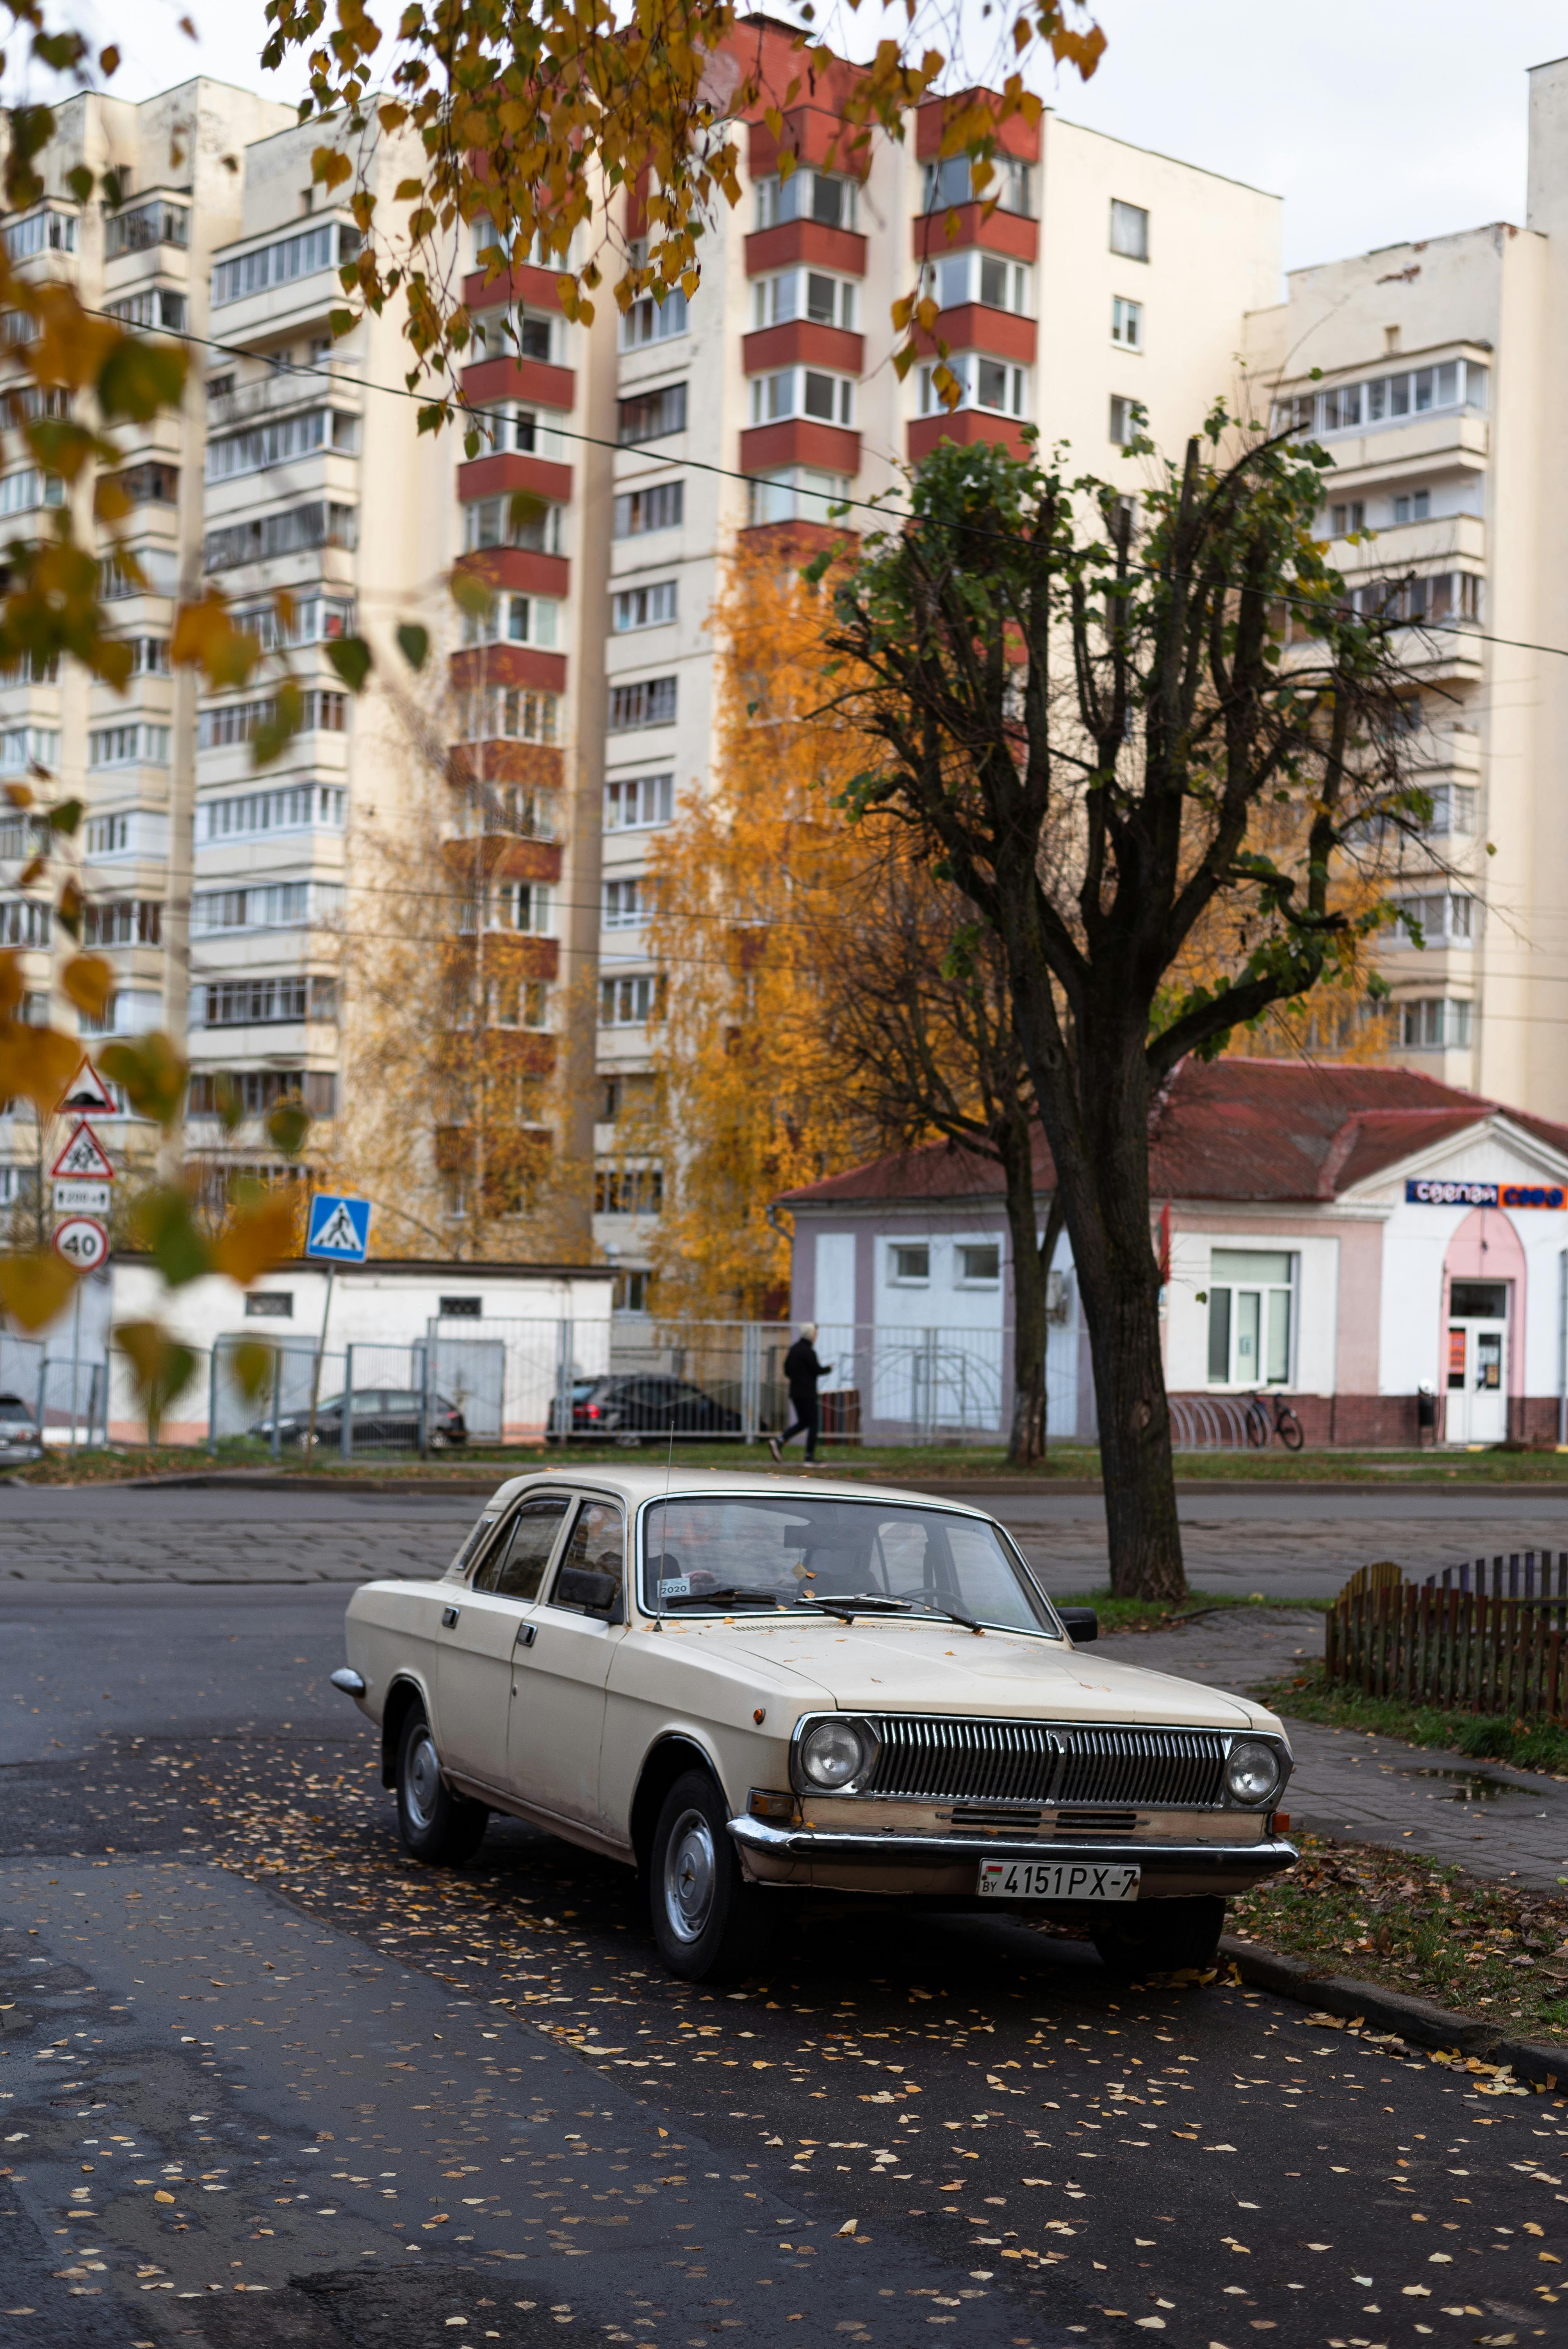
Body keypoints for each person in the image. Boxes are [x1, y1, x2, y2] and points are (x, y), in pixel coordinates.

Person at [770, 1324, 831, 1465]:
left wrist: (798, 1377)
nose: (816, 1336)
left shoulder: (795, 1349)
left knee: (804, 1422)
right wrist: (829, 1369)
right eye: (816, 1334)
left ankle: (779, 1440)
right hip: (808, 1394)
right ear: (811, 1335)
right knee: (814, 1424)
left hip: (795, 1393)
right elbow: (817, 1370)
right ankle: (809, 1457)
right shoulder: (809, 1352)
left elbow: (787, 1370)